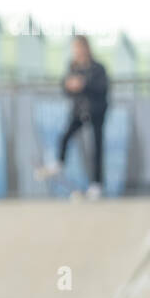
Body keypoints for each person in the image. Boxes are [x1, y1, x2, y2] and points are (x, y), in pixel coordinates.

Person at [36, 34, 109, 198]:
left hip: (96, 112)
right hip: (79, 112)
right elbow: (65, 86)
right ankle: (59, 162)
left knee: (96, 148)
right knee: (65, 136)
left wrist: (84, 84)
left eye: (79, 48)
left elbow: (102, 87)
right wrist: (70, 86)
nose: (77, 51)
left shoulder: (97, 68)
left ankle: (96, 184)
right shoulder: (73, 67)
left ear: (86, 48)